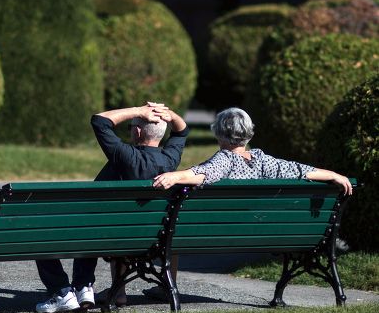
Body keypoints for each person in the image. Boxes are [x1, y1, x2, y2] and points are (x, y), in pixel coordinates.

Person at [143, 107, 352, 301]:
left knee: (174, 232)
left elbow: (203, 174)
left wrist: (175, 175)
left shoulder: (225, 159)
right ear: (249, 133)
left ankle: (166, 287)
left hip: (216, 234)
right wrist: (333, 174)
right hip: (263, 235)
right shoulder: (263, 161)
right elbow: (300, 170)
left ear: (218, 133)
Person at [35, 102, 189, 313]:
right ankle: (82, 287)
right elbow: (181, 131)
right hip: (152, 237)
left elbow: (99, 121)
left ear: (136, 131)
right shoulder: (170, 160)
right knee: (91, 223)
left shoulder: (125, 156)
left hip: (113, 236)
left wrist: (138, 111)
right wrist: (167, 114)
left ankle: (62, 291)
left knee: (40, 232)